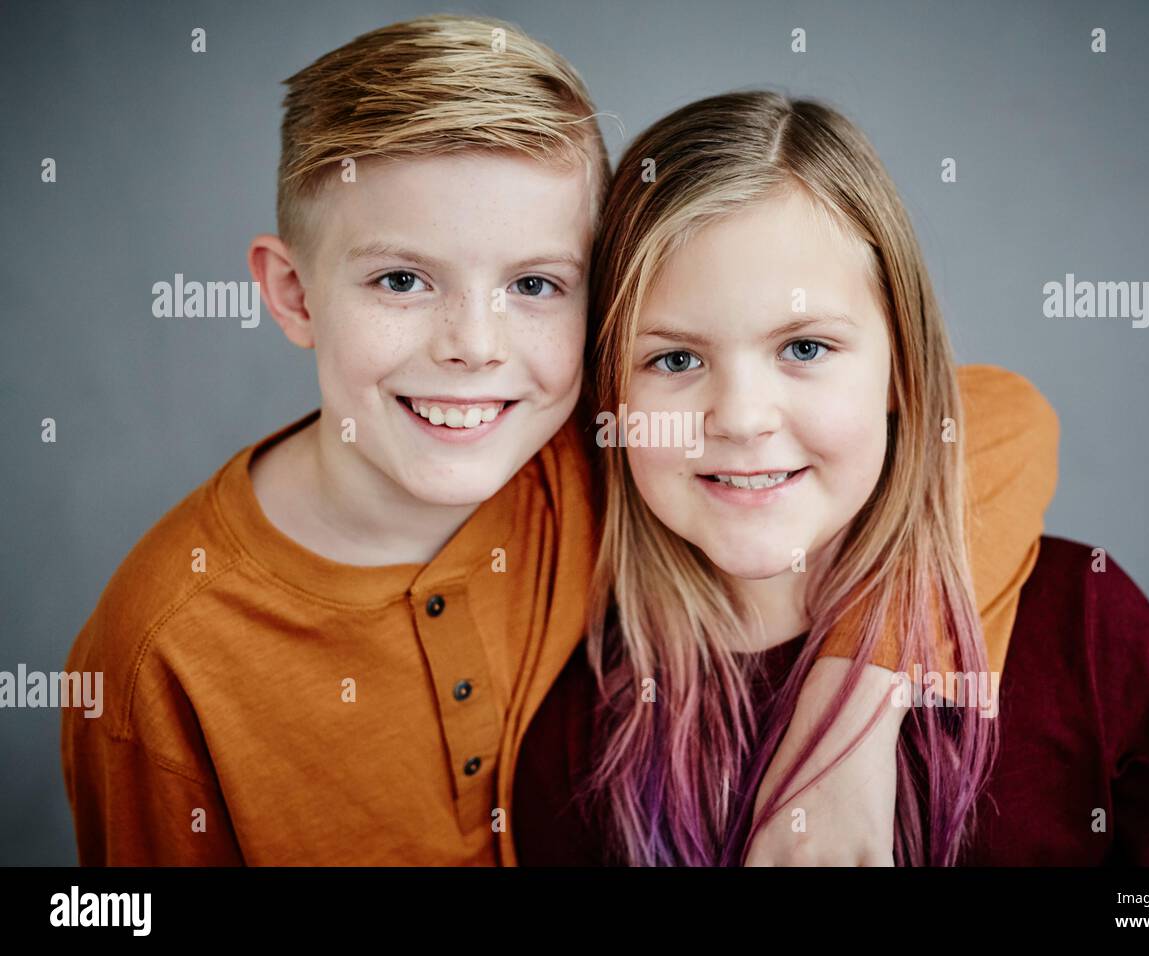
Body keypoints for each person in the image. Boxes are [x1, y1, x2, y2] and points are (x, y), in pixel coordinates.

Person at [59, 17, 1049, 866]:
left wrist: (849, 705)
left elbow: (991, 417)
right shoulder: (159, 650)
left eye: (534, 285)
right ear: (291, 292)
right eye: (402, 280)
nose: (473, 349)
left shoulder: (597, 454)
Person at [512, 91, 1149, 867]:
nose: (742, 419)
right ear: (610, 391)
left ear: (900, 370)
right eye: (674, 359)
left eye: (805, 348)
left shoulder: (1079, 619)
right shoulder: (573, 724)